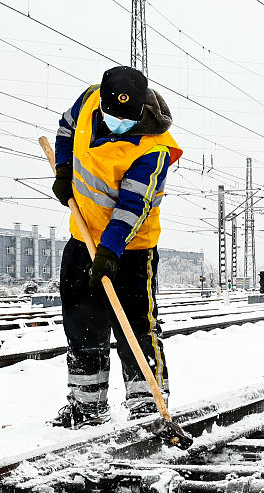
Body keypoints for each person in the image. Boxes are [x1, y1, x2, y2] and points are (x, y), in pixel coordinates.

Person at [49, 65, 182, 428]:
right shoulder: (91, 99)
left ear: (140, 110)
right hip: (82, 237)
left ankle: (147, 409)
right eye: (111, 115)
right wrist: (63, 170)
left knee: (135, 326)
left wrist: (109, 252)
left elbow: (131, 208)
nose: (115, 122)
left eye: (125, 118)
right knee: (82, 323)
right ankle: (87, 406)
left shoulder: (154, 148)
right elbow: (65, 129)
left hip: (132, 247)